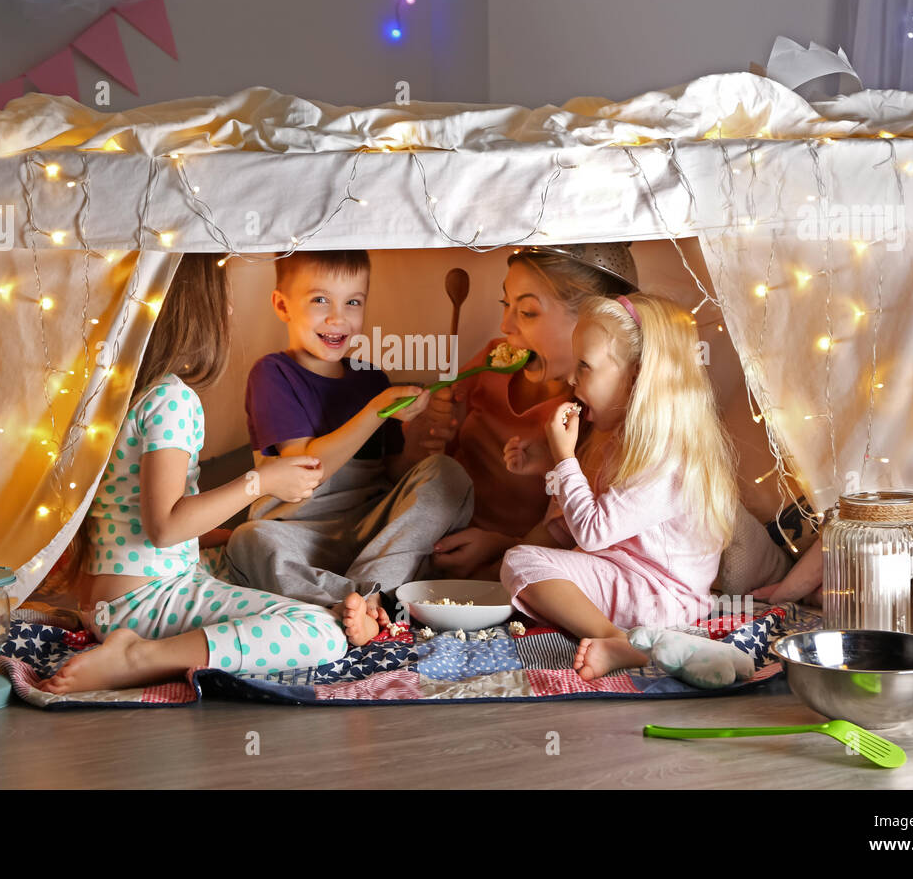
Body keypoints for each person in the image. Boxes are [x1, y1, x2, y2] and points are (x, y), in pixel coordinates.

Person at [40, 254, 349, 694]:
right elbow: (165, 527)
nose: (228, 311)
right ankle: (138, 657)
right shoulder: (172, 400)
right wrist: (263, 482)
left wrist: (221, 536)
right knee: (319, 631)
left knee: (249, 552)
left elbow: (131, 516)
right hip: (143, 603)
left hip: (102, 601)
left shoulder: (114, 393)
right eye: (221, 299)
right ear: (196, 311)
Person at [224, 250, 474, 644]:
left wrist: (422, 436)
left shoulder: (371, 379)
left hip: (372, 531)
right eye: (320, 300)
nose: (338, 317)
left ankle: (368, 596)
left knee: (447, 473)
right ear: (282, 305)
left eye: (353, 302)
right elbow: (303, 467)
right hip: (299, 531)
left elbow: (394, 473)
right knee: (249, 540)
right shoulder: (273, 373)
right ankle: (364, 601)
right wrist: (376, 412)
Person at [499, 293, 740, 679]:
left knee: (520, 562)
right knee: (524, 558)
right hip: (630, 581)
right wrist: (549, 466)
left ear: (636, 376)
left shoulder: (668, 458)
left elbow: (593, 532)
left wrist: (565, 460)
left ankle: (621, 642)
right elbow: (579, 521)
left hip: (660, 598)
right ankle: (616, 636)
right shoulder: (621, 441)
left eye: (585, 365)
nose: (571, 378)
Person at [403, 245, 637, 580]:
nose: (505, 325)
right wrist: (428, 431)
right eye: (505, 304)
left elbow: (576, 529)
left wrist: (501, 545)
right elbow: (418, 469)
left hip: (515, 563)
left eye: (527, 312)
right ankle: (376, 592)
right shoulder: (491, 361)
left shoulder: (596, 415)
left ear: (592, 323)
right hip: (434, 534)